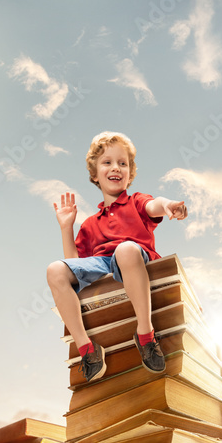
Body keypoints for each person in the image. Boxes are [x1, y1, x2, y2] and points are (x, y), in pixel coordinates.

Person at [46, 131, 187, 383]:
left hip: (133, 257)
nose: (116, 168)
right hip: (101, 263)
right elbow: (76, 266)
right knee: (55, 269)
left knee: (125, 249)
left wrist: (167, 206)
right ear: (95, 174)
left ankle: (145, 335)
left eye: (123, 163)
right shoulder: (90, 224)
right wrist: (67, 227)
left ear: (130, 174)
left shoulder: (135, 201)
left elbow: (153, 205)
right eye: (107, 162)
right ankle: (87, 349)